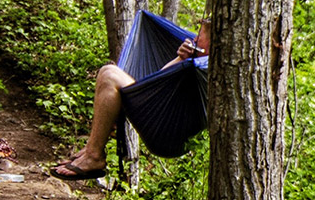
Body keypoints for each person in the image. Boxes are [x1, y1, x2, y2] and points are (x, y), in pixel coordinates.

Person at [52, 20, 211, 180]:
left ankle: (94, 156)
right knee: (108, 75)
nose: (195, 39)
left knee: (109, 75)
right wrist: (181, 59)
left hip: (170, 131)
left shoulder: (208, 68)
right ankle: (90, 151)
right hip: (159, 115)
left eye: (200, 35)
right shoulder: (196, 62)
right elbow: (158, 82)